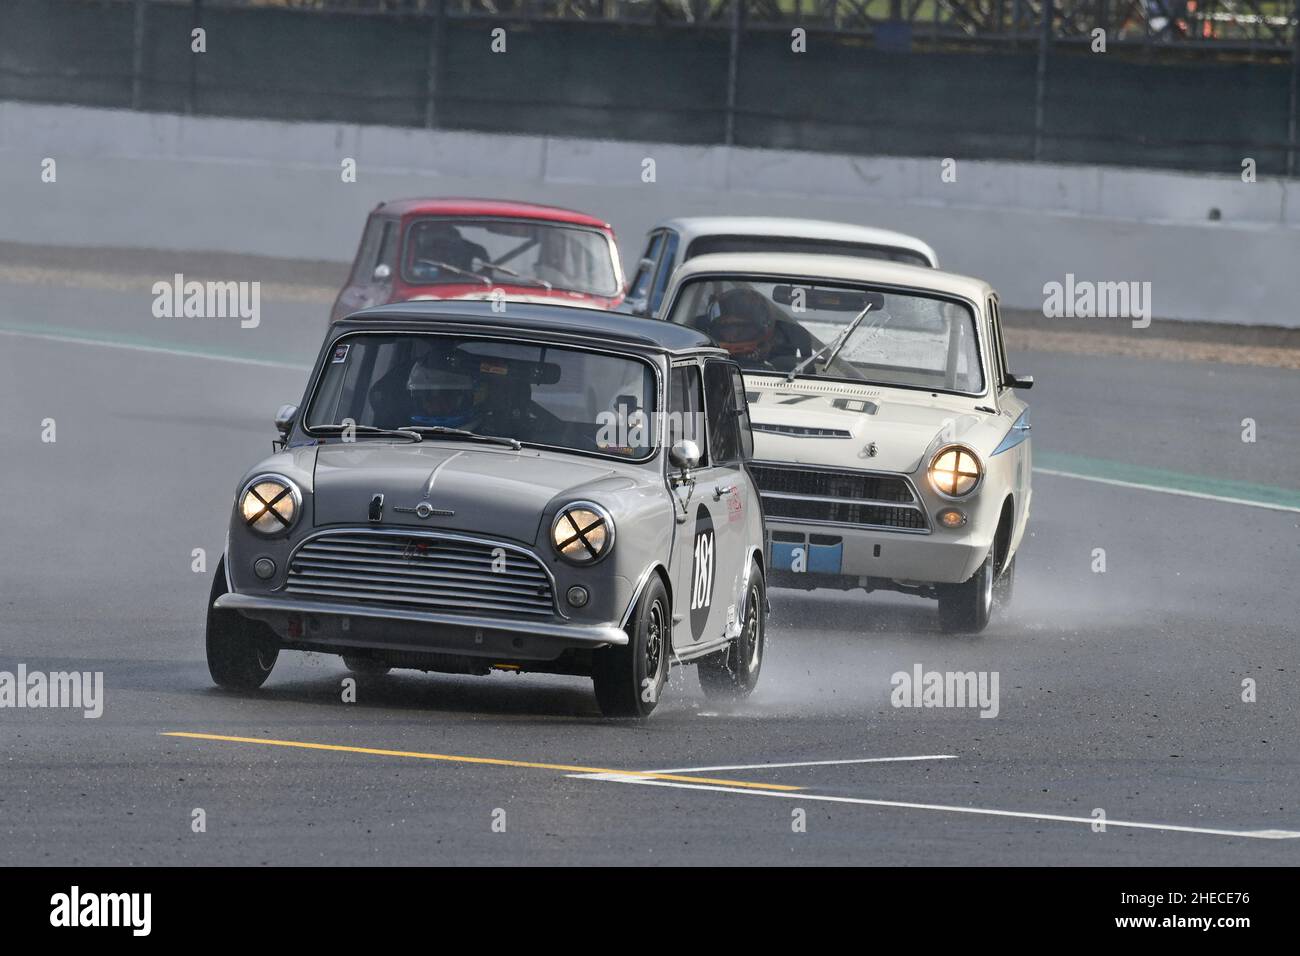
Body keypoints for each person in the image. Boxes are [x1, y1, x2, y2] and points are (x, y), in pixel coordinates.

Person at [706, 288, 778, 363]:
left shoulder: (778, 366)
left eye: (741, 328)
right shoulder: (705, 356)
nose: (732, 335)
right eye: (725, 327)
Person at [406, 360, 482, 429]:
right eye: (428, 397)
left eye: (447, 396)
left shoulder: (486, 436)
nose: (436, 405)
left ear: (468, 399)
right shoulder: (403, 432)